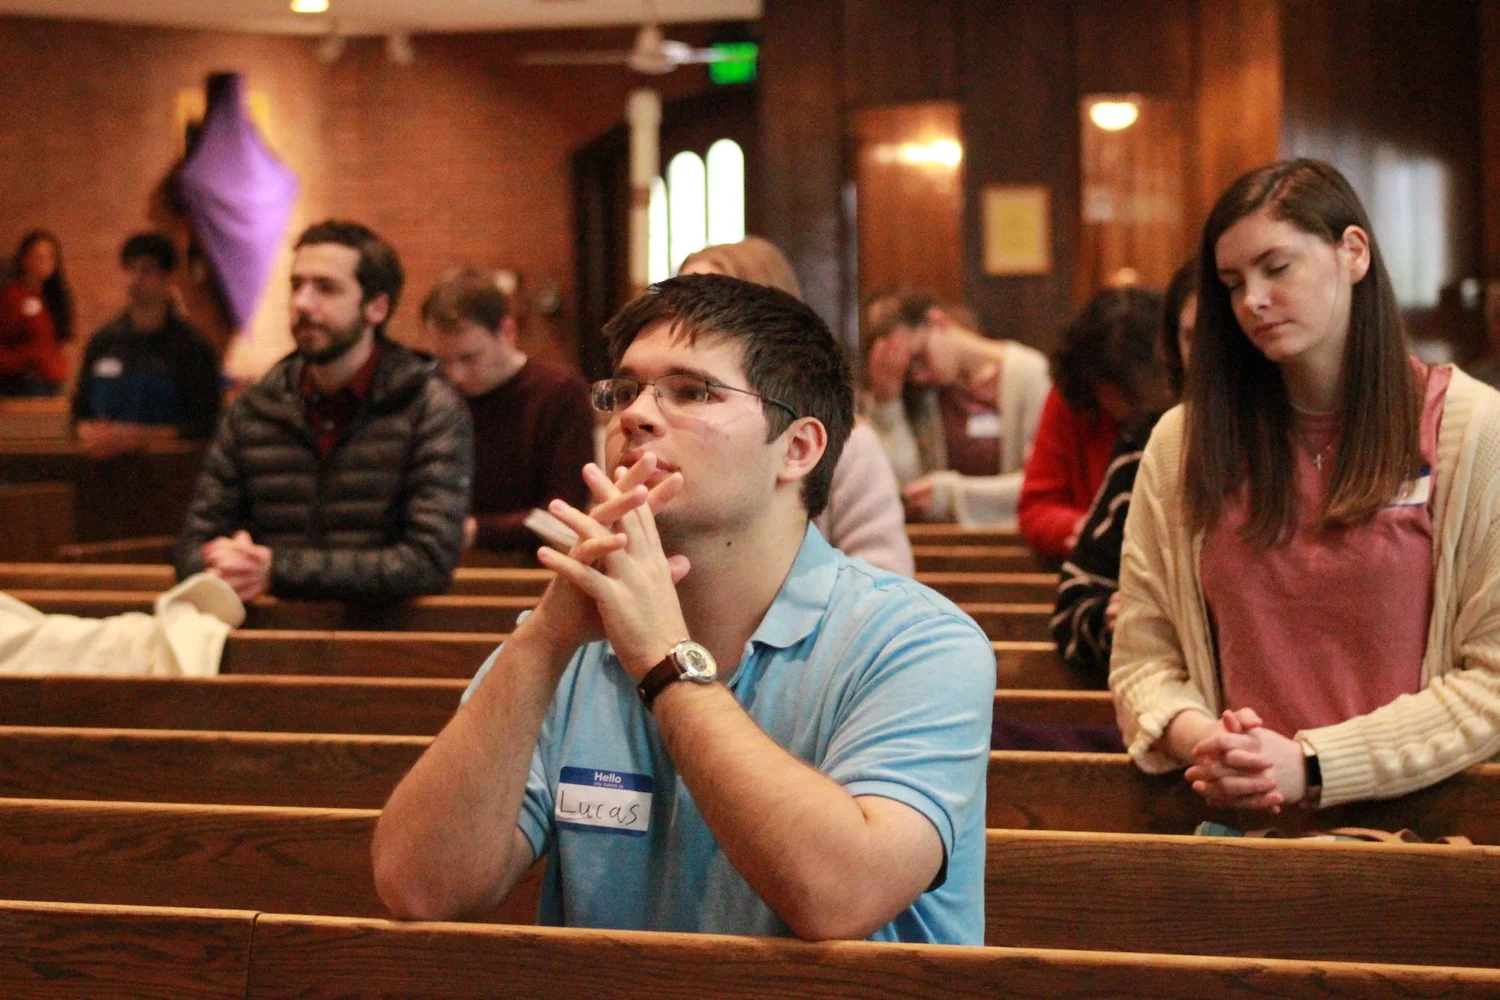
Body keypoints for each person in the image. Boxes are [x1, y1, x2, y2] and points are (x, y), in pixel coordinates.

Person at [372, 274, 994, 944]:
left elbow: (839, 897)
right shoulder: (566, 642)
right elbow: (419, 887)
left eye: (692, 391)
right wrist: (544, 640)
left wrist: (666, 660)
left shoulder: (920, 643)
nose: (634, 415)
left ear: (798, 449)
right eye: (626, 390)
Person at [1111, 158, 1500, 814]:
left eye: (1276, 268)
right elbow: (1142, 662)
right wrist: (1212, 745)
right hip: (1238, 821)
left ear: (1353, 253)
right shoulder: (1184, 441)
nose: (1251, 301)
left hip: (1429, 825)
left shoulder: (1472, 426)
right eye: (1233, 283)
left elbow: (1491, 679)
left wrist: (1316, 764)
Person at [175, 220, 472, 603]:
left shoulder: (429, 407)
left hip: (385, 642)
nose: (302, 303)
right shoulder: (256, 406)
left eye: (326, 288)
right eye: (296, 285)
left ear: (376, 307)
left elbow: (428, 561)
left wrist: (277, 569)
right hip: (266, 642)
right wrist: (219, 561)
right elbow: (190, 548)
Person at [681, 238, 913, 575]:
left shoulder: (848, 447)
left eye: (708, 311)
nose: (684, 328)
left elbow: (885, 587)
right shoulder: (661, 436)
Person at [1051, 264, 1194, 685]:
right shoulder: (1146, 445)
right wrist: (1115, 617)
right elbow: (1074, 606)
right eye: (1189, 339)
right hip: (1165, 711)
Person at [421, 269, 594, 559]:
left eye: (469, 358)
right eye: (443, 361)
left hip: (533, 568)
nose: (455, 376)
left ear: (507, 332)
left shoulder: (559, 393)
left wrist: (476, 530)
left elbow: (565, 513)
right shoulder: (434, 392)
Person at [862, 290, 1050, 529]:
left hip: (1017, 542)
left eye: (919, 358)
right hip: (942, 546)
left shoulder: (1029, 374)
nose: (918, 377)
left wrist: (951, 495)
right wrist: (887, 403)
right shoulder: (923, 394)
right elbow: (905, 491)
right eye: (908, 373)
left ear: (938, 320)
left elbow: (1041, 486)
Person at [1017, 289, 1172, 560]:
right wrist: (1092, 531)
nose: (1136, 403)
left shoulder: (1186, 406)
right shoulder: (1073, 399)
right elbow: (1037, 508)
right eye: (1120, 388)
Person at [72, 232, 222, 458]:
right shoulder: (103, 342)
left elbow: (206, 425)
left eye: (146, 270)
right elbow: (79, 411)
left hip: (172, 474)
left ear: (168, 279)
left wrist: (141, 437)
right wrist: (85, 430)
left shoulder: (193, 348)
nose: (135, 279)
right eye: (130, 269)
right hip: (103, 471)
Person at [0, 230, 73, 396]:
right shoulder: (13, 297)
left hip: (52, 381)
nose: (44, 262)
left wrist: (60, 365)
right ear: (24, 259)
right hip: (22, 382)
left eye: (49, 256)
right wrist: (24, 363)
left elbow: (62, 341)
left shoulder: (56, 297)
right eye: (38, 256)